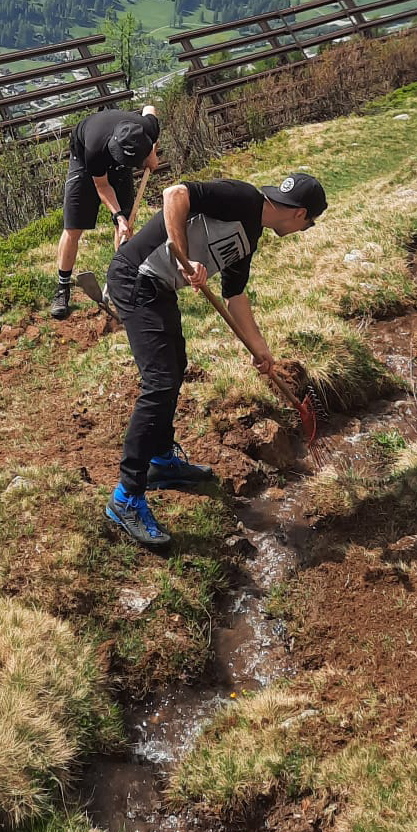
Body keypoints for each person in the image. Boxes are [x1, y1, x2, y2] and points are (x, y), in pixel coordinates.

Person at [103, 170, 327, 549]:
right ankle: (127, 497)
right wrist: (185, 260)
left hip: (157, 287)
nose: (305, 230)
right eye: (310, 224)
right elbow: (175, 194)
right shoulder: (243, 199)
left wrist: (261, 349)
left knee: (174, 367)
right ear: (300, 215)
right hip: (134, 277)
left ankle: (160, 459)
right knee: (159, 381)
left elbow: (235, 297)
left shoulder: (249, 238)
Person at [51, 104, 161, 320]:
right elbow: (102, 187)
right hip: (84, 162)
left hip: (119, 161)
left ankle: (121, 282)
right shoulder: (94, 148)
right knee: (74, 226)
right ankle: (62, 288)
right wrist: (117, 215)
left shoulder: (146, 128)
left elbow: (149, 108)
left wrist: (152, 153)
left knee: (126, 227)